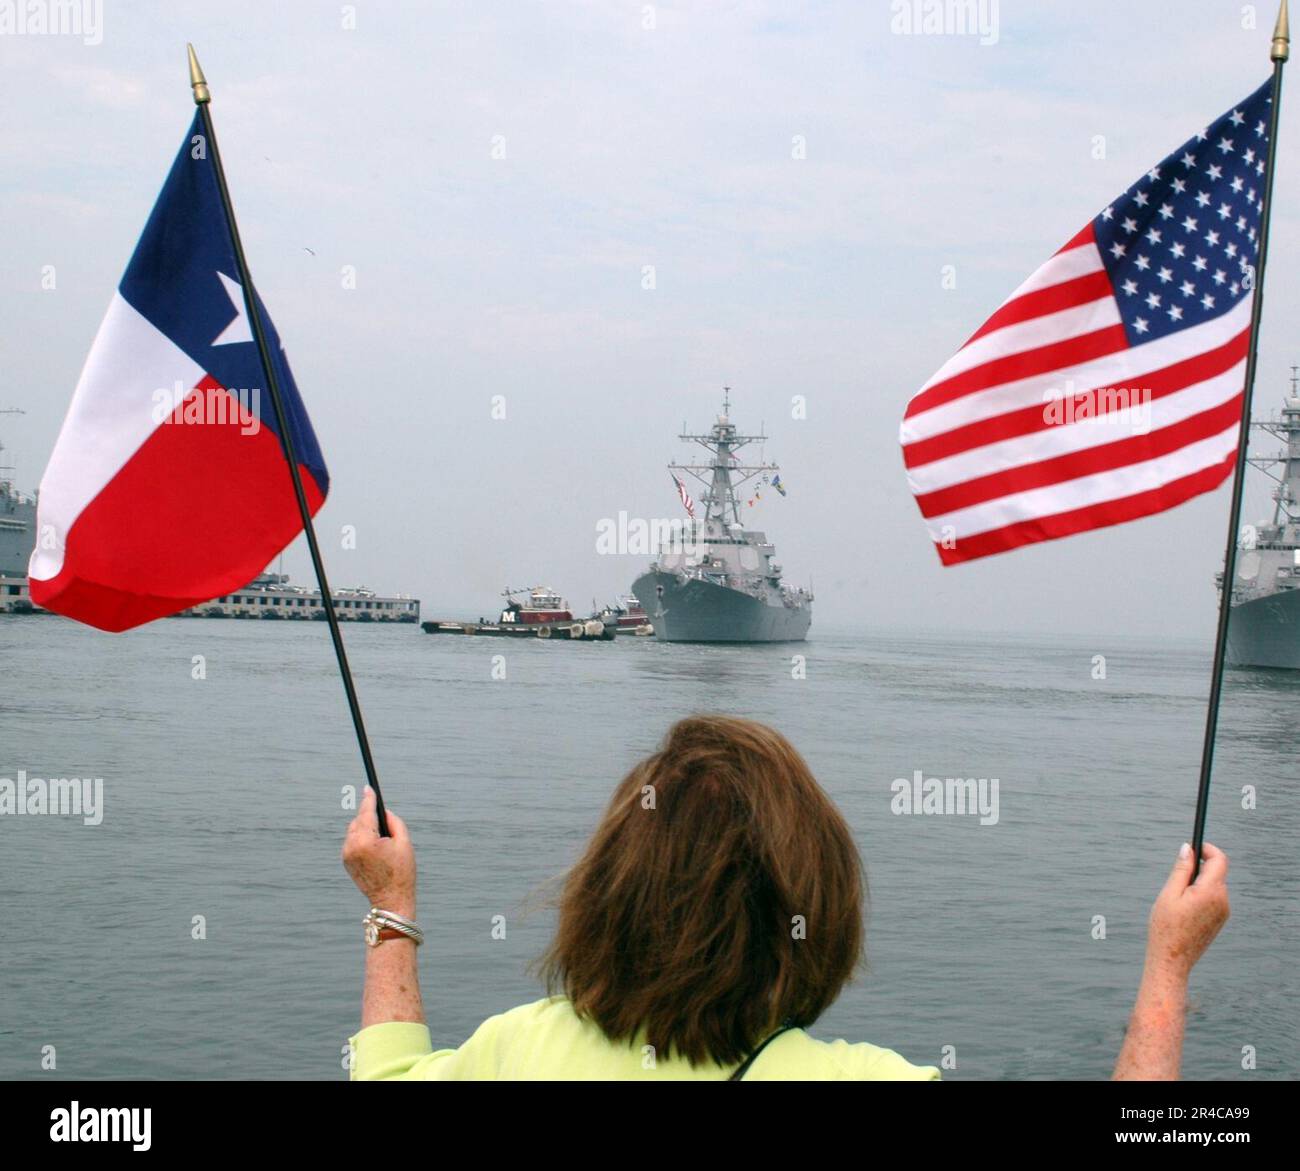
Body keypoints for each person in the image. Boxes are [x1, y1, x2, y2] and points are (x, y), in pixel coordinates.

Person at [342, 715, 1230, 1080]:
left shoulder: (513, 1051)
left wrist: (391, 902)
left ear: (606, 890)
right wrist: (1170, 963)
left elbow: (382, 1076)